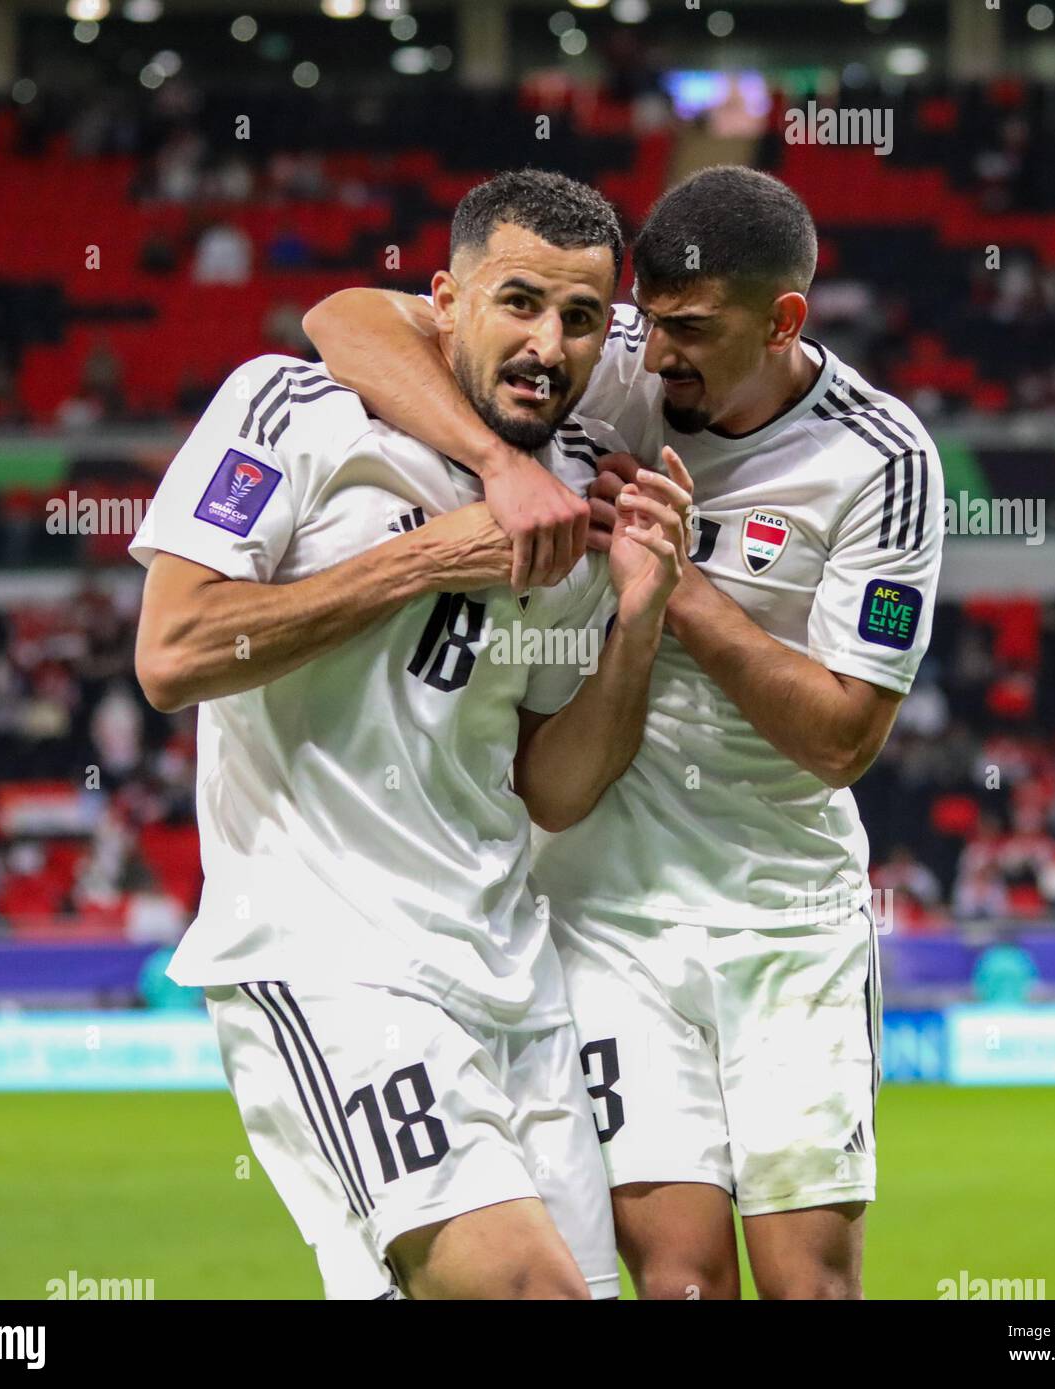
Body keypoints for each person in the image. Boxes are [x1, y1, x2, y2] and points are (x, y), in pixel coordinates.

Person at [301, 165, 945, 1299]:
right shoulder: (616, 352)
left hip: (786, 921)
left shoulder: (882, 463)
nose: (654, 358)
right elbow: (341, 318)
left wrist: (678, 589)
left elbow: (844, 738)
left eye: (693, 333)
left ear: (783, 320)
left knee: (812, 1287)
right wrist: (501, 466)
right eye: (653, 323)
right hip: (604, 915)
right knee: (680, 1283)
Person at [131, 170, 690, 1300]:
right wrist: (432, 555)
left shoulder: (578, 491)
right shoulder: (288, 412)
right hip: (328, 956)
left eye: (581, 319)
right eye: (520, 303)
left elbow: (556, 788)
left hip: (513, 985)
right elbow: (175, 653)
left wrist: (639, 614)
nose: (550, 342)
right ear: (444, 300)